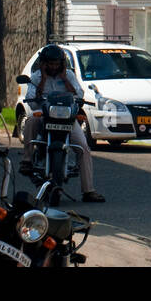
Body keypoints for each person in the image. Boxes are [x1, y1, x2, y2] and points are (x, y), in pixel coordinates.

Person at [20, 45, 105, 203]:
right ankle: (27, 159)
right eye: (50, 63)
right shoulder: (37, 77)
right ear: (43, 63)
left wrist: (65, 79)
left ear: (62, 63)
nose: (53, 66)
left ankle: (89, 191)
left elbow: (78, 94)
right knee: (31, 120)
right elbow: (32, 100)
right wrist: (44, 79)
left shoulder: (69, 75)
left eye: (56, 63)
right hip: (45, 116)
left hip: (66, 118)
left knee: (83, 147)